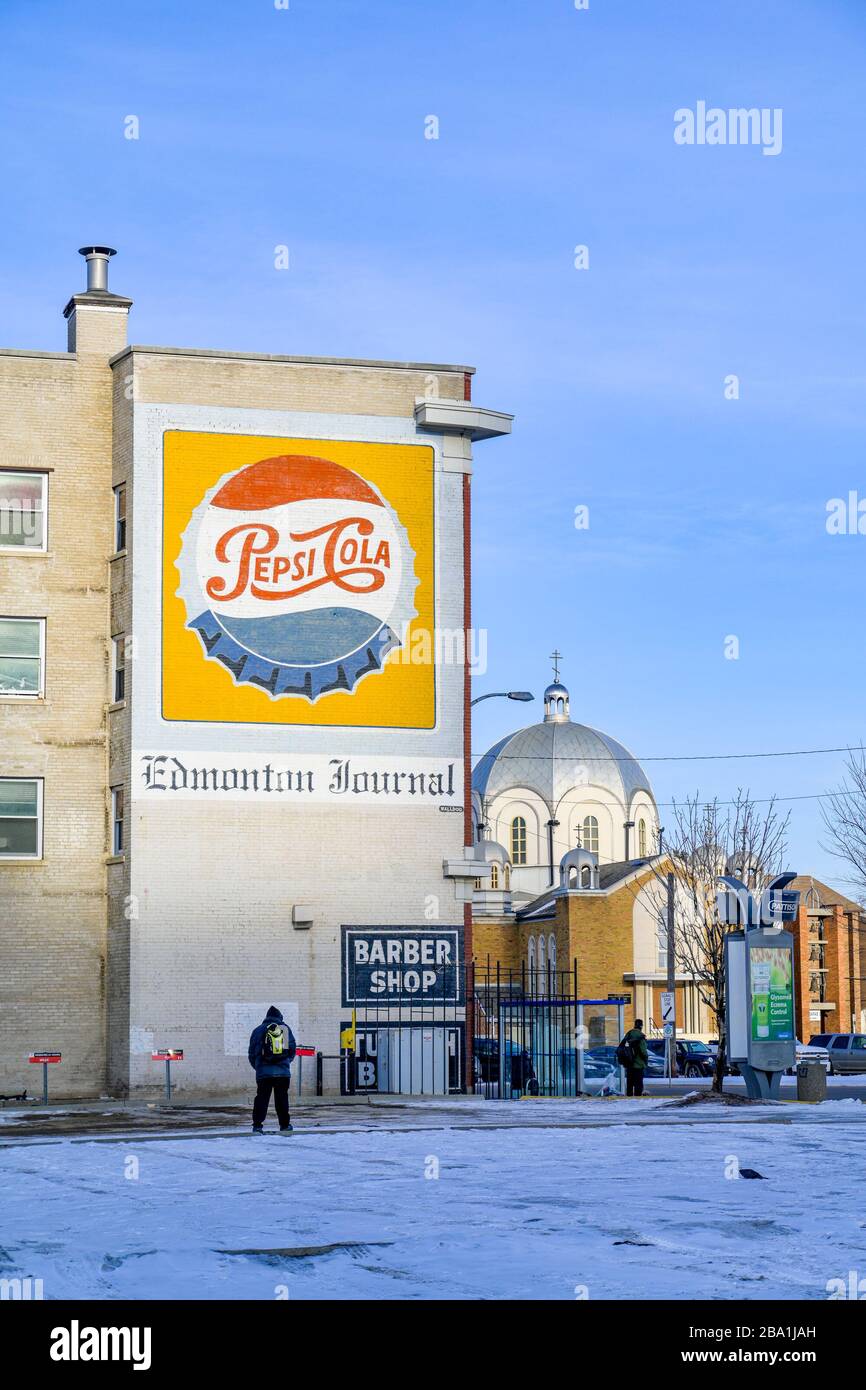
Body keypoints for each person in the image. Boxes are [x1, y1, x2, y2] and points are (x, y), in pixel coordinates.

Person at [248, 1006, 297, 1134]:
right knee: (281, 1099)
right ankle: (285, 1125)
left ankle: (257, 1125)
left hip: (263, 1073)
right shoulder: (284, 1029)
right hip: (282, 1073)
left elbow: (252, 1054)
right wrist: (285, 1063)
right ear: (280, 1017)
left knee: (262, 1099)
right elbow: (292, 1050)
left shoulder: (257, 1031)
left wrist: (259, 1067)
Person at [621, 1018, 649, 1097]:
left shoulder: (629, 1034)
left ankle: (629, 1099)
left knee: (629, 1084)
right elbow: (644, 1052)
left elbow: (622, 1046)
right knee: (638, 1085)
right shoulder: (640, 1036)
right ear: (641, 1026)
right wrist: (646, 1060)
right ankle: (637, 1100)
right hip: (639, 1065)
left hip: (629, 1064)